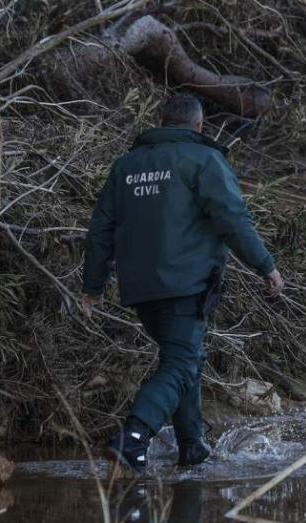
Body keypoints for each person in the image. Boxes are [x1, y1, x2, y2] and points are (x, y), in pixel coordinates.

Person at [81, 93, 283, 471]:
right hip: (185, 285)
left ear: (160, 121)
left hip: (140, 288)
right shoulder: (204, 160)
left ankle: (192, 446)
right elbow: (233, 219)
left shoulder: (127, 165)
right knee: (180, 363)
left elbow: (100, 231)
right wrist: (265, 265)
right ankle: (134, 437)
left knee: (187, 358)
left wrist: (92, 286)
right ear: (199, 126)